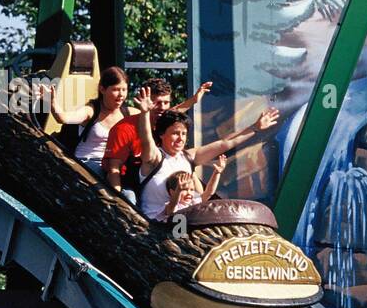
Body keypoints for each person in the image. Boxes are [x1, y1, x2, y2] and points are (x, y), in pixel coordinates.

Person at [136, 99, 280, 221]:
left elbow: (225, 143)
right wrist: (144, 114)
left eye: (184, 134)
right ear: (161, 134)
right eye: (175, 133)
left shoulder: (188, 157)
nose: (181, 138)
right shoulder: (154, 158)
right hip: (153, 226)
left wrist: (255, 128)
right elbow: (146, 139)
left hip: (180, 226)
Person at [102, 76, 211, 197]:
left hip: (159, 180)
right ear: (144, 102)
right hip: (130, 182)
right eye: (157, 103)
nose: (163, 107)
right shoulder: (124, 128)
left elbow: (176, 111)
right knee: (129, 197)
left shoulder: (165, 122)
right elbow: (114, 170)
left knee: (192, 184)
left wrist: (194, 100)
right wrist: (117, 200)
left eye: (166, 103)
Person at [45, 66, 128, 177]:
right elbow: (63, 118)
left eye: (124, 89)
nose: (121, 94)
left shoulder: (127, 113)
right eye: (116, 89)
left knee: (128, 194)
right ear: (102, 89)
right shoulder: (90, 110)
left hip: (112, 165)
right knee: (106, 175)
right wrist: (53, 102)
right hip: (87, 164)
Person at [156, 154, 227, 222]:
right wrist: (178, 191)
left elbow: (209, 192)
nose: (189, 193)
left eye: (192, 189)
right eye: (184, 189)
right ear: (172, 192)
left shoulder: (193, 203)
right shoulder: (173, 206)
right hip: (176, 233)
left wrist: (217, 173)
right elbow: (171, 208)